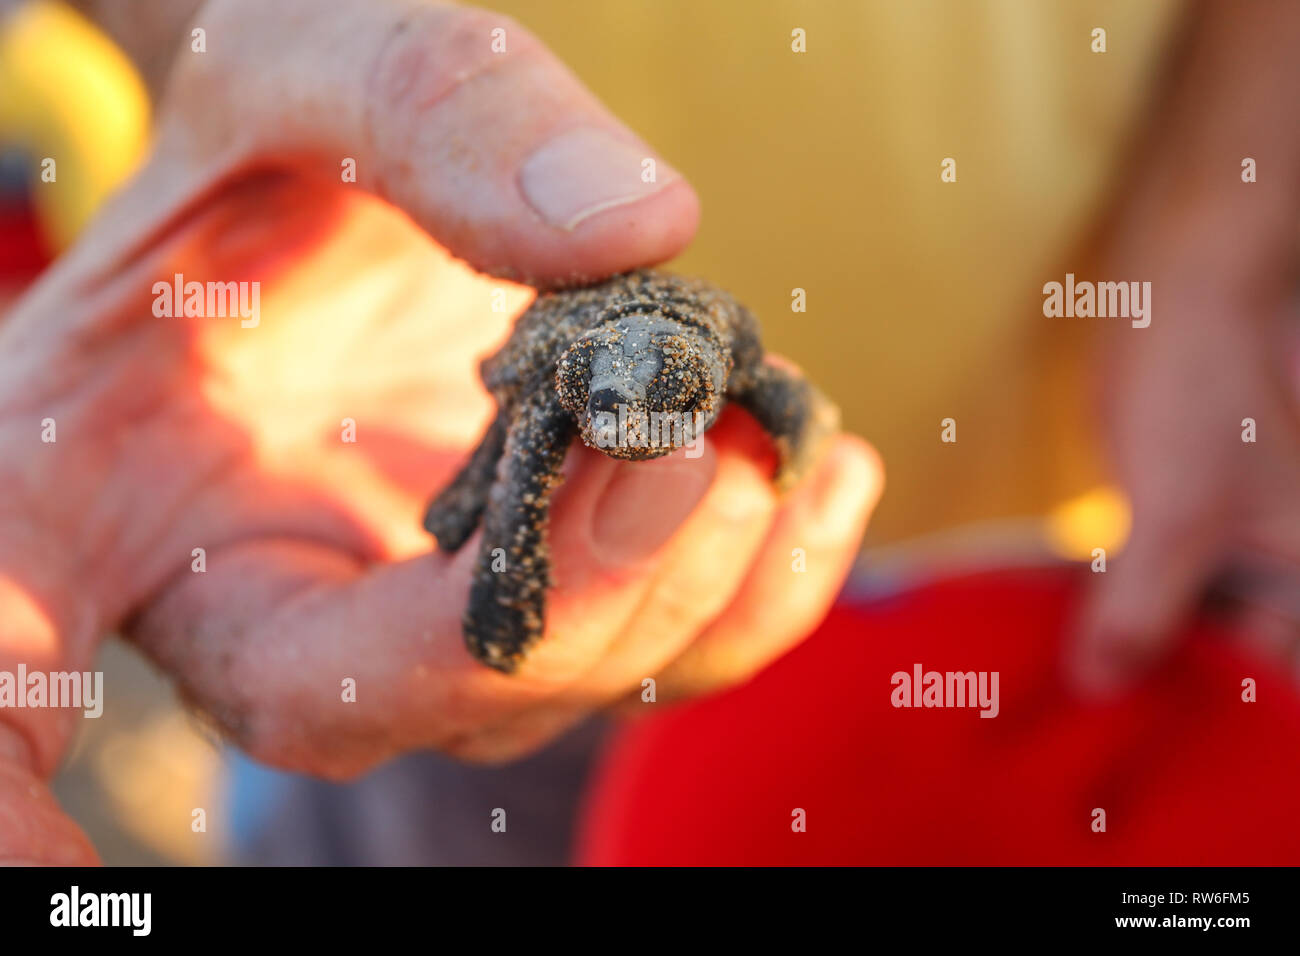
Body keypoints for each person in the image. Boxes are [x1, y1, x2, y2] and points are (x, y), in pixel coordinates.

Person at [0, 0, 881, 863]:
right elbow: (525, 455)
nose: (634, 433)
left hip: (870, 579)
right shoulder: (567, 382)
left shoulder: (716, 339)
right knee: (504, 474)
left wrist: (795, 432)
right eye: (619, 419)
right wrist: (205, 22)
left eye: (657, 419)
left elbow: (763, 383)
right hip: (442, 458)